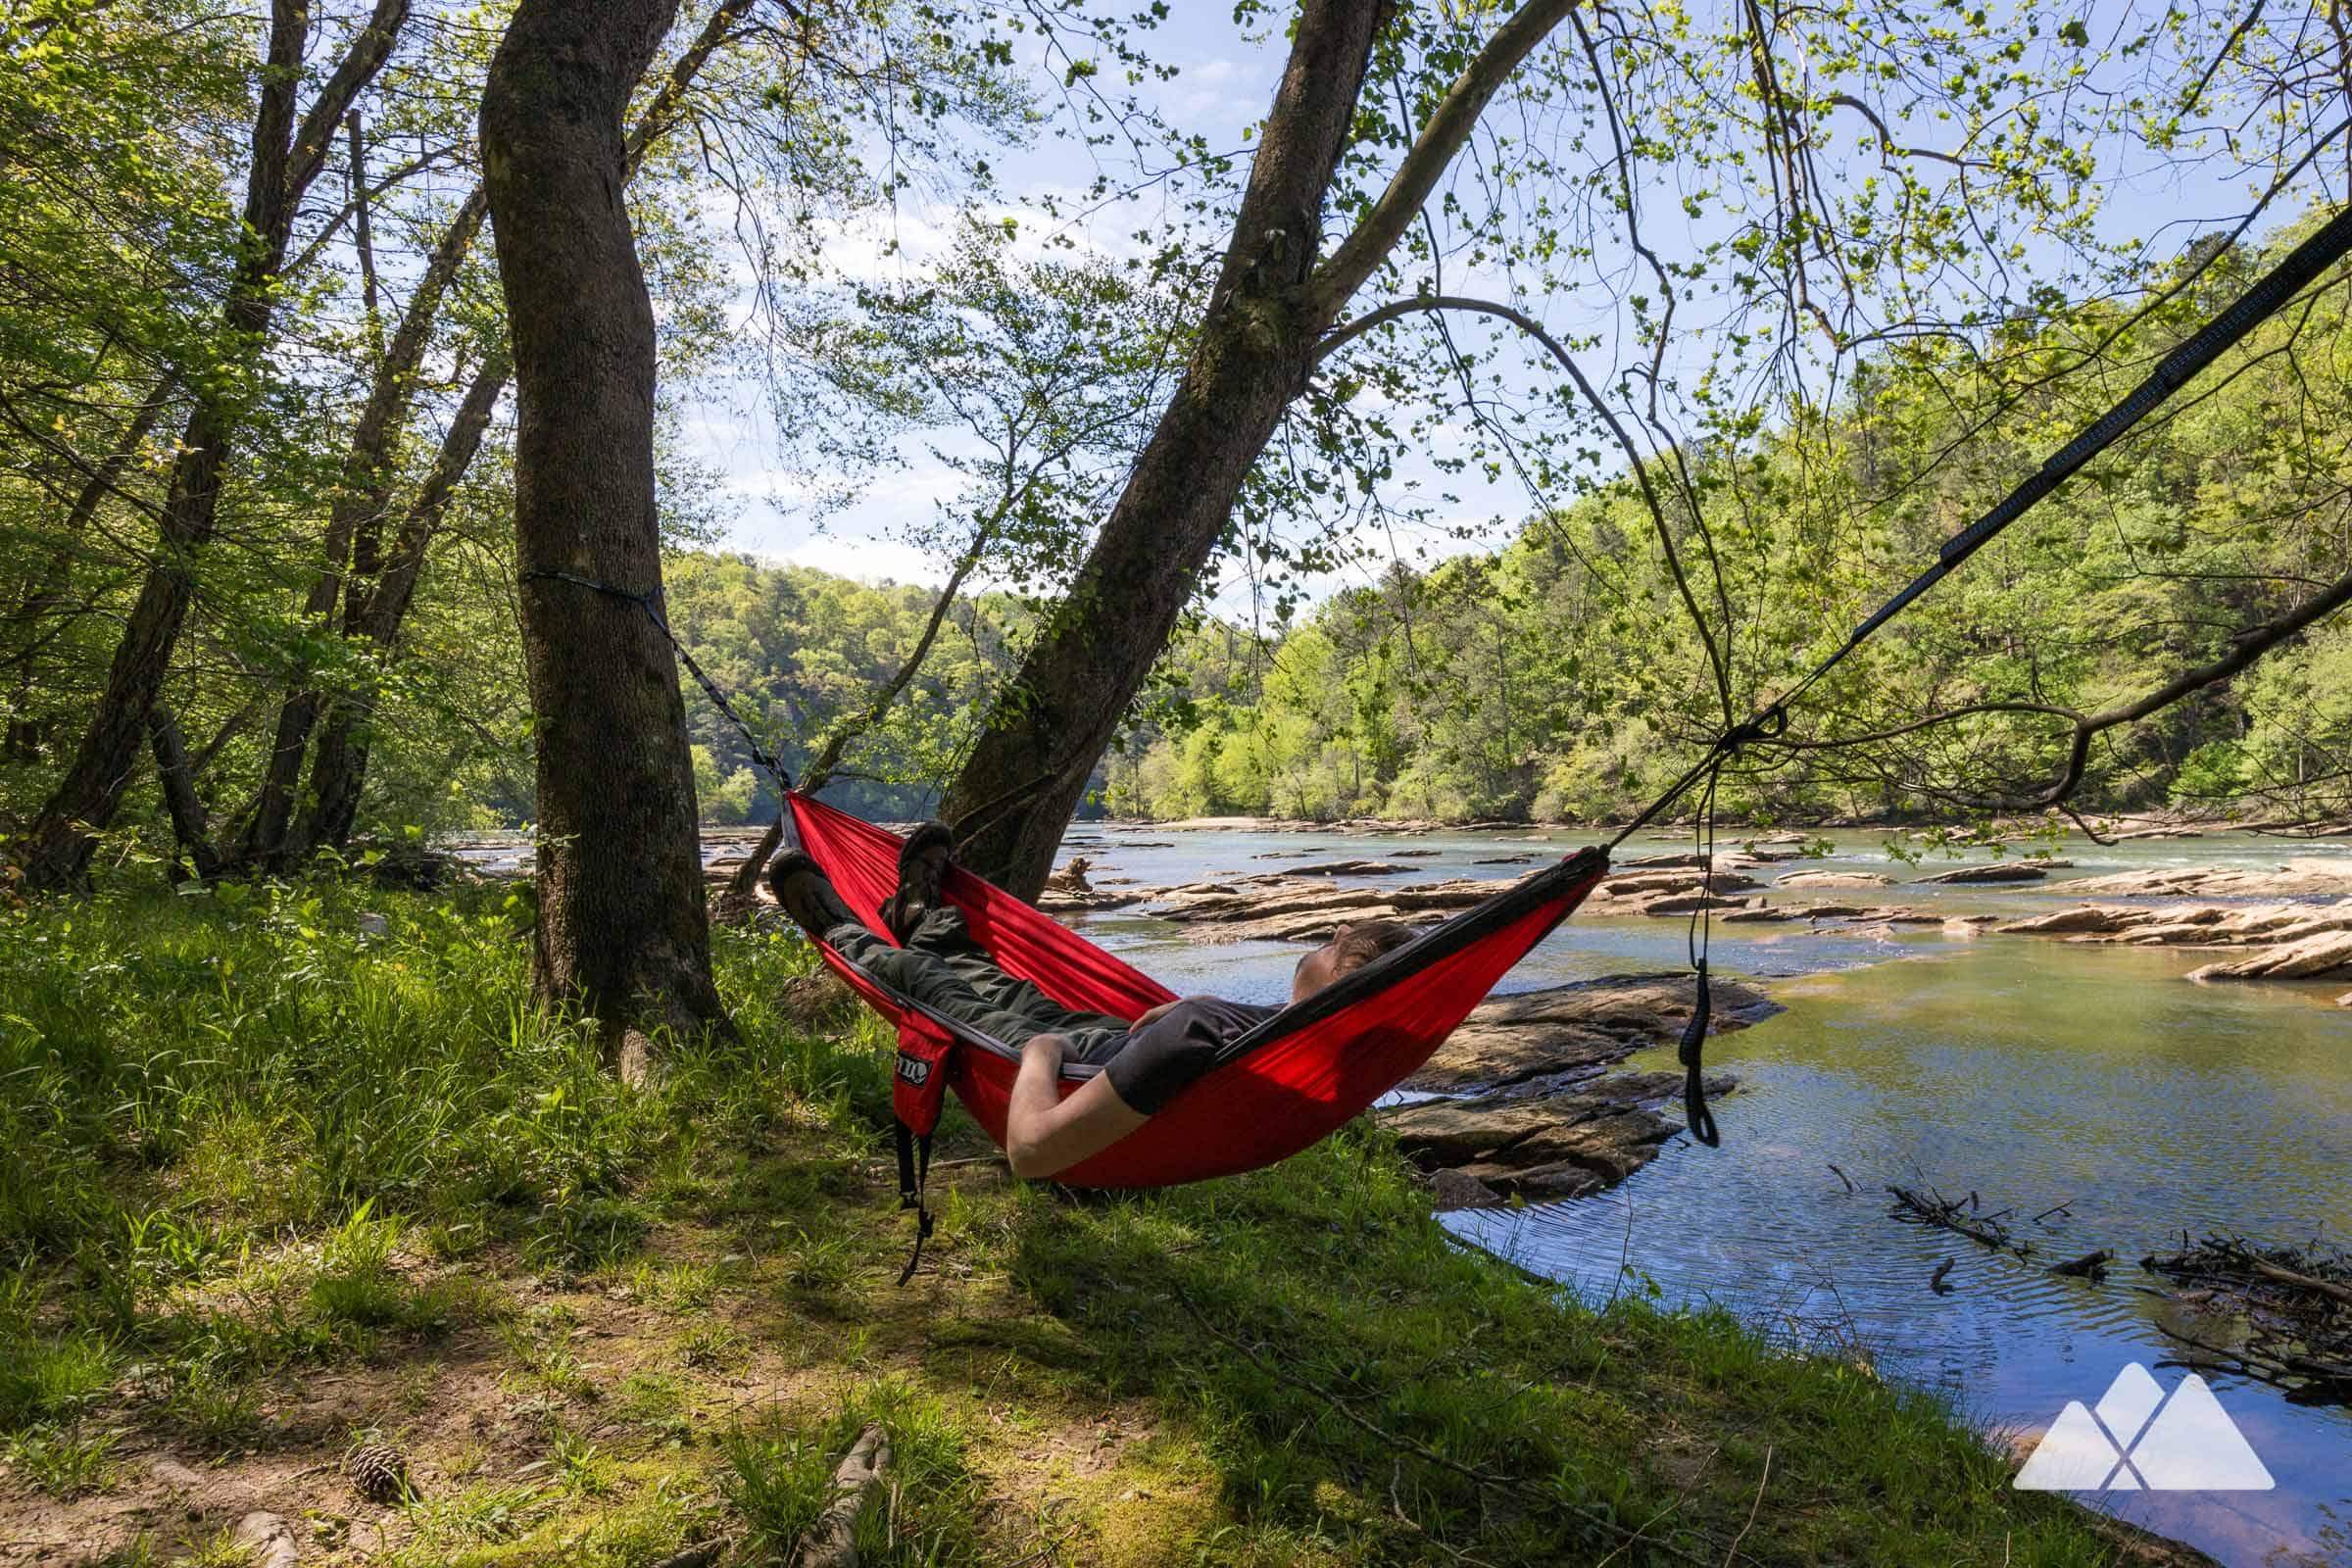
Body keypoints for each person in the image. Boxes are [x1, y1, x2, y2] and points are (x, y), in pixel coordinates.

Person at [766, 825, 1415, 1179]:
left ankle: (834, 923)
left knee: (924, 983)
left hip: (1072, 1066)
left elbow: (1031, 1152)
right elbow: (1199, 1043)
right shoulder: (1302, 1040)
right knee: (996, 983)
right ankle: (920, 913)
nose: (1331, 932)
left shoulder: (1206, 1035)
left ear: (1341, 965)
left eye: (1341, 940)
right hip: (1109, 1040)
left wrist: (1045, 1055)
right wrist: (1182, 1009)